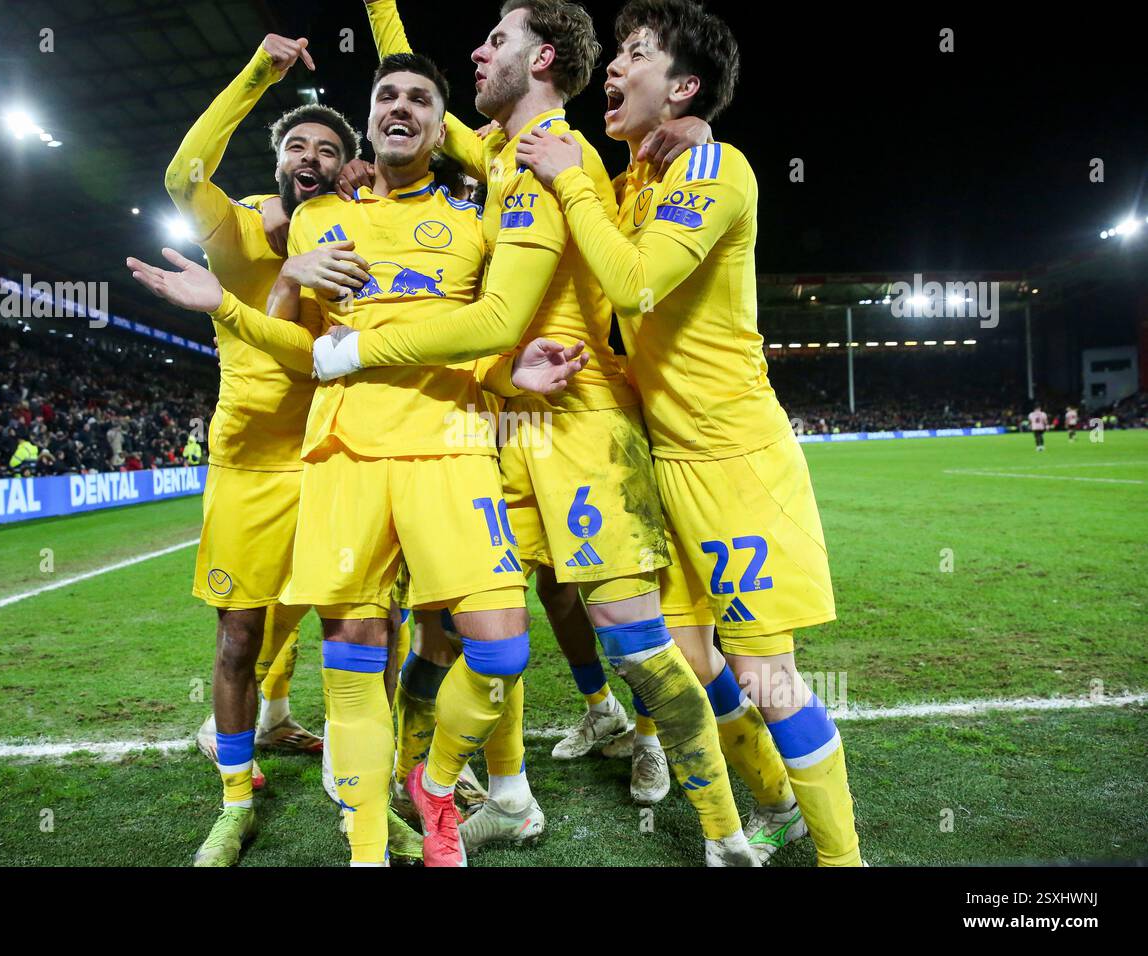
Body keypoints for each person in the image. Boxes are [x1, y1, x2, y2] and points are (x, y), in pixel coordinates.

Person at [315, 0, 757, 865]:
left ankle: (726, 833)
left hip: (583, 423)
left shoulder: (557, 159)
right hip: (507, 424)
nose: (476, 54)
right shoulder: (503, 150)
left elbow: (499, 316)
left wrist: (354, 351)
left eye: (496, 41)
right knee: (468, 628)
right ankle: (466, 791)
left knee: (638, 645)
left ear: (543, 56)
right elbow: (417, 90)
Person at [128, 51, 586, 866]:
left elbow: (473, 330)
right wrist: (229, 301)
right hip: (308, 455)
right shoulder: (279, 226)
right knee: (283, 643)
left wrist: (507, 373)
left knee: (486, 644)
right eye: (385, 95)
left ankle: (438, 780)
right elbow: (298, 347)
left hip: (442, 449)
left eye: (418, 98)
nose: (312, 159)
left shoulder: (472, 220)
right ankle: (346, 837)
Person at [516, 0, 862, 865]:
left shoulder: (718, 165)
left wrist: (572, 178)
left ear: (684, 85)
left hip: (735, 458)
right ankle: (777, 807)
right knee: (697, 665)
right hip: (664, 458)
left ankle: (846, 859)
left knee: (766, 676)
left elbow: (636, 284)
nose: (616, 66)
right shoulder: (640, 181)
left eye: (636, 52)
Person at [159, 31, 357, 866]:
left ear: (346, 168)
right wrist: (258, 74)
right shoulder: (234, 231)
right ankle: (235, 799)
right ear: (280, 156)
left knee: (345, 629)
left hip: (333, 455)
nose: (312, 157)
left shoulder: (352, 231)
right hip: (247, 459)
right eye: (299, 144)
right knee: (241, 634)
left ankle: (350, 785)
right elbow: (181, 176)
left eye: (329, 150)